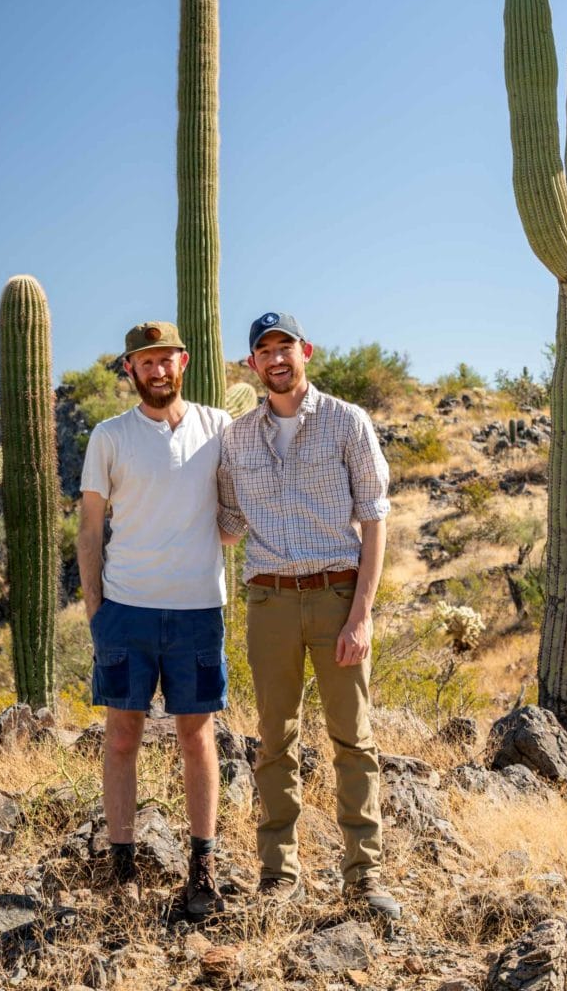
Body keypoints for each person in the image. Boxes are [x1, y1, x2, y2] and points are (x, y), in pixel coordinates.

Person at [216, 311, 402, 919]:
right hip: (268, 601)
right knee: (274, 741)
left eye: (285, 346)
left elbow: (375, 519)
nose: (276, 358)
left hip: (336, 596)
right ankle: (279, 875)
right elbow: (225, 523)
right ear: (251, 364)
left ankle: (365, 876)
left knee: (353, 738)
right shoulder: (237, 438)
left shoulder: (348, 422)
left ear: (306, 352)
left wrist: (362, 615)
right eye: (263, 350)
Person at [77, 320, 237, 917]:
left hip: (199, 610)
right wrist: (98, 612)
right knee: (122, 738)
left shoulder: (218, 427)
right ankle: (122, 872)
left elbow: (241, 501)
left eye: (165, 359)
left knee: (198, 738)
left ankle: (203, 868)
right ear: (130, 370)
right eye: (145, 362)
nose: (157, 371)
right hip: (127, 610)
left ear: (184, 362)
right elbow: (90, 531)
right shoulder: (109, 437)